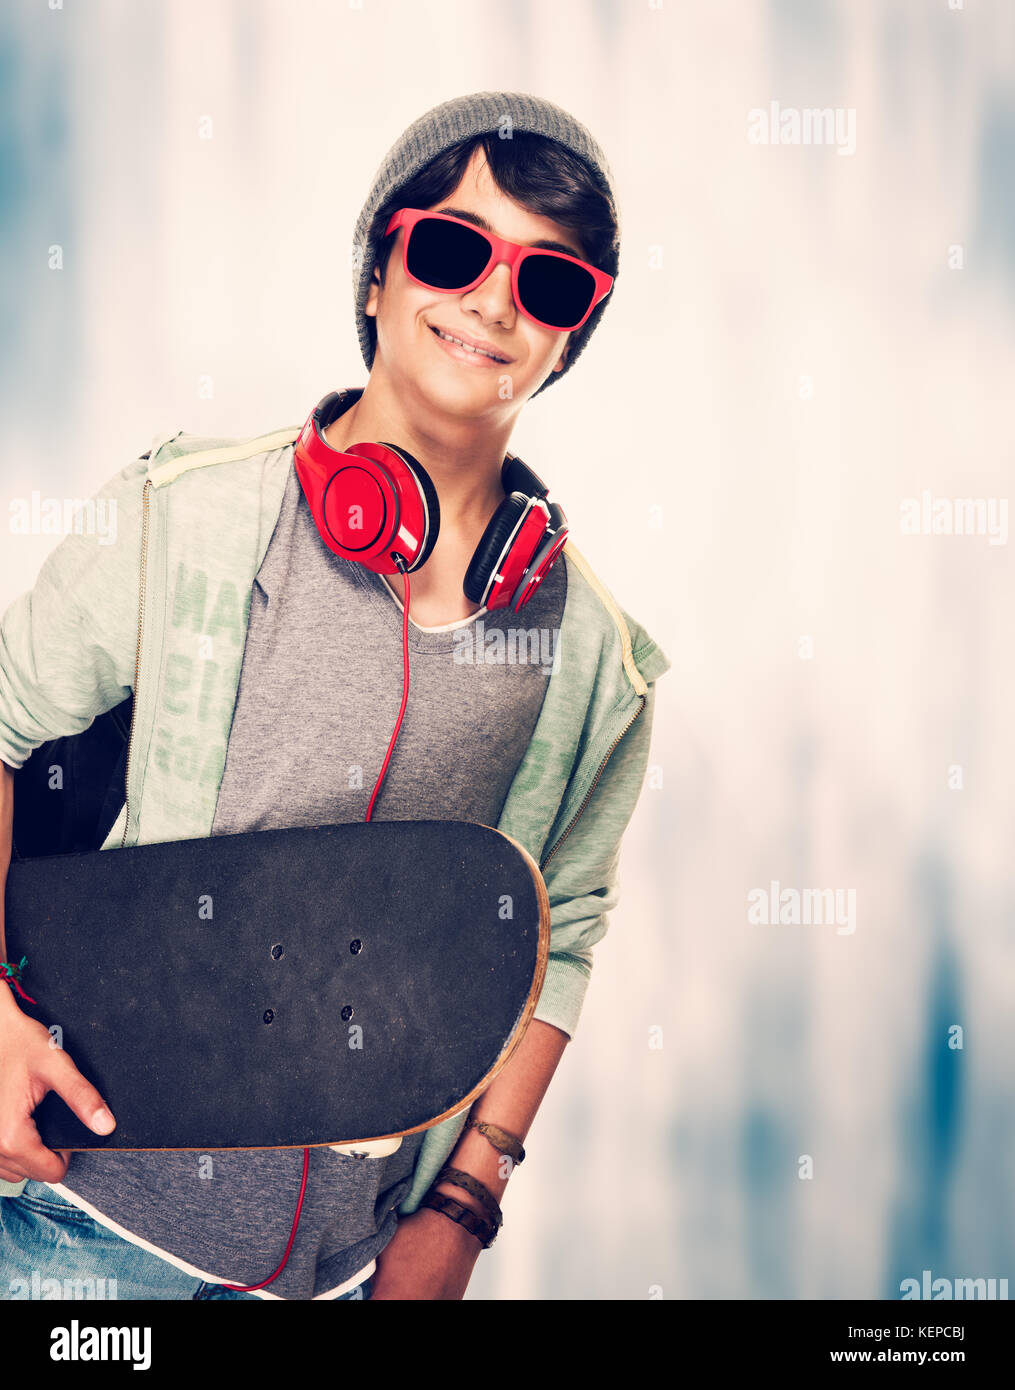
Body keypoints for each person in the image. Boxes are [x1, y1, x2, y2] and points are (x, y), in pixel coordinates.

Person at [0, 90, 670, 1300]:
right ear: (378, 273)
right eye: (456, 249)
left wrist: (462, 1210)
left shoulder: (593, 658)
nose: (492, 302)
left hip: (348, 1271)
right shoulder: (187, 515)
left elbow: (557, 933)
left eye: (550, 283)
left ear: (573, 337)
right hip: (82, 1239)